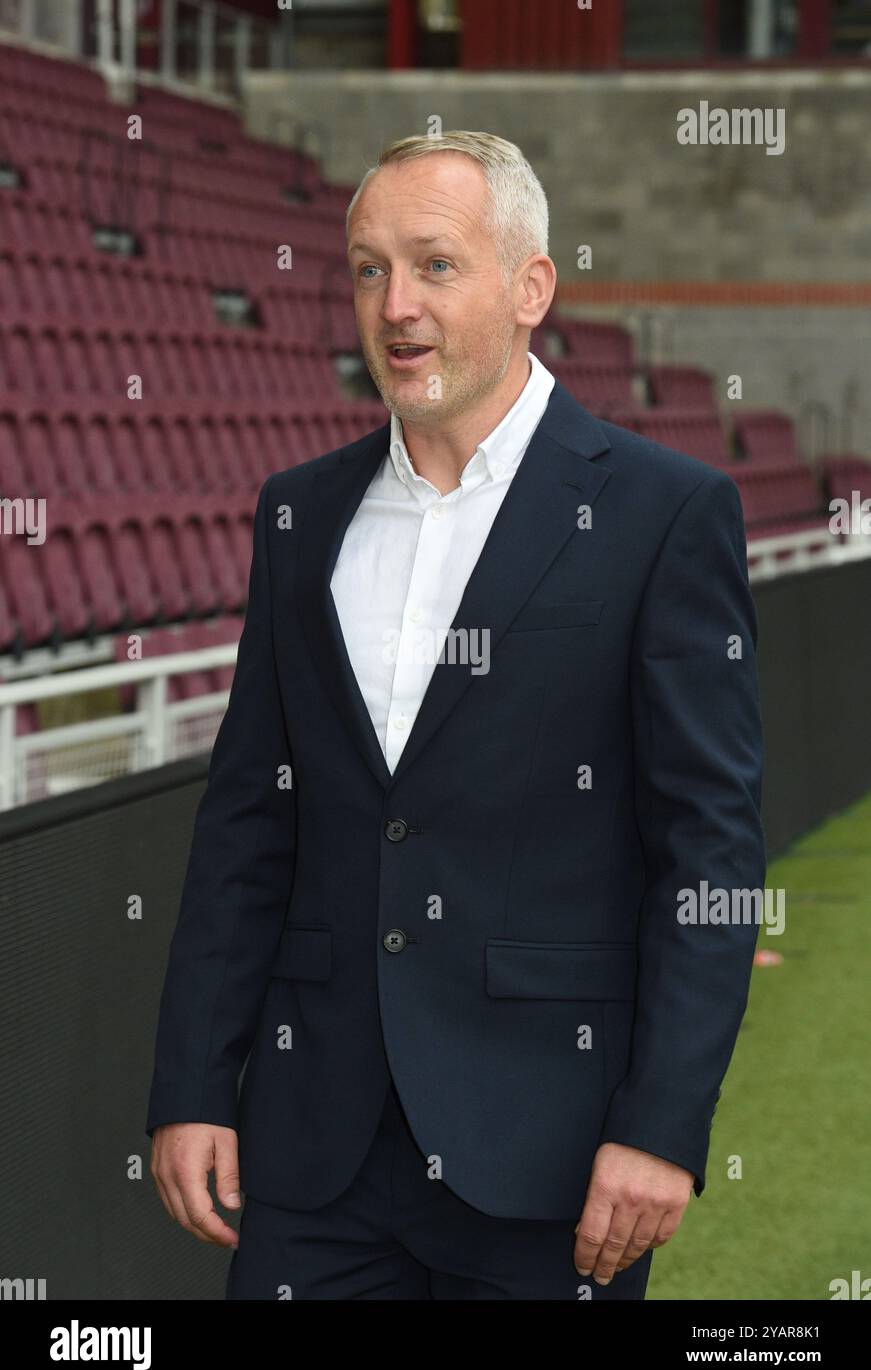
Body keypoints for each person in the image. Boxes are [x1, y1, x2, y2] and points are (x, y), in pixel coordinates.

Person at [146, 131, 766, 1301]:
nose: (396, 305)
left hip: (549, 1157)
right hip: (313, 1157)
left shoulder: (663, 513)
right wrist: (191, 1082)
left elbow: (709, 854)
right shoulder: (299, 515)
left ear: (532, 286)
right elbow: (245, 825)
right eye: (370, 269)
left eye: (434, 264)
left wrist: (666, 1122)